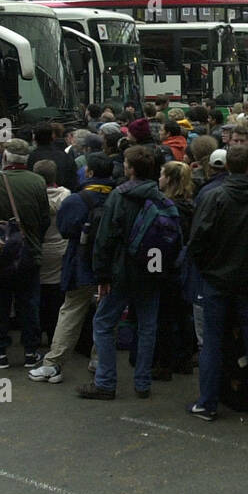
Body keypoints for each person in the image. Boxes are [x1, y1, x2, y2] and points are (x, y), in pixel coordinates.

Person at [186, 145, 248, 420]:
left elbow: (198, 239)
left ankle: (207, 403)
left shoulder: (214, 197)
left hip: (217, 281)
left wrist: (207, 268)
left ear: (227, 166)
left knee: (212, 342)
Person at [78, 146, 169, 400]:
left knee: (104, 323)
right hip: (152, 270)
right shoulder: (160, 196)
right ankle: (142, 382)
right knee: (147, 326)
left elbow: (105, 239)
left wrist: (102, 275)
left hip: (121, 271)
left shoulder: (119, 196)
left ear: (130, 169)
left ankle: (105, 382)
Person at [28, 154, 115, 385]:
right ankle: (99, 359)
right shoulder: (119, 197)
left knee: (71, 311)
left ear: (89, 173)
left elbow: (66, 230)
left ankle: (53, 364)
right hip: (114, 265)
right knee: (106, 313)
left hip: (81, 263)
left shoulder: (76, 200)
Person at [0, 138, 51, 370]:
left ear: (5, 158)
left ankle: (0, 352)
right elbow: (44, 218)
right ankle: (30, 352)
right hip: (29, 252)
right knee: (29, 303)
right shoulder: (37, 181)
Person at [153, 160, 197, 379]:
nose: (159, 178)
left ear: (169, 179)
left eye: (162, 174)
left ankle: (165, 363)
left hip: (169, 268)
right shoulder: (192, 205)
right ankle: (184, 358)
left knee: (165, 317)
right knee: (183, 314)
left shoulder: (167, 208)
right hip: (186, 267)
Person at [33, 160, 71, 345]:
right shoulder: (65, 195)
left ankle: (36, 331)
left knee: (36, 293)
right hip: (59, 247)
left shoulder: (31, 195)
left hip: (37, 247)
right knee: (55, 294)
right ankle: (53, 332)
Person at [29, 121, 79, 193]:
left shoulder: (32, 157)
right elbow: (73, 178)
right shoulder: (64, 155)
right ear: (52, 136)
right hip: (64, 195)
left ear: (34, 138)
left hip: (41, 196)